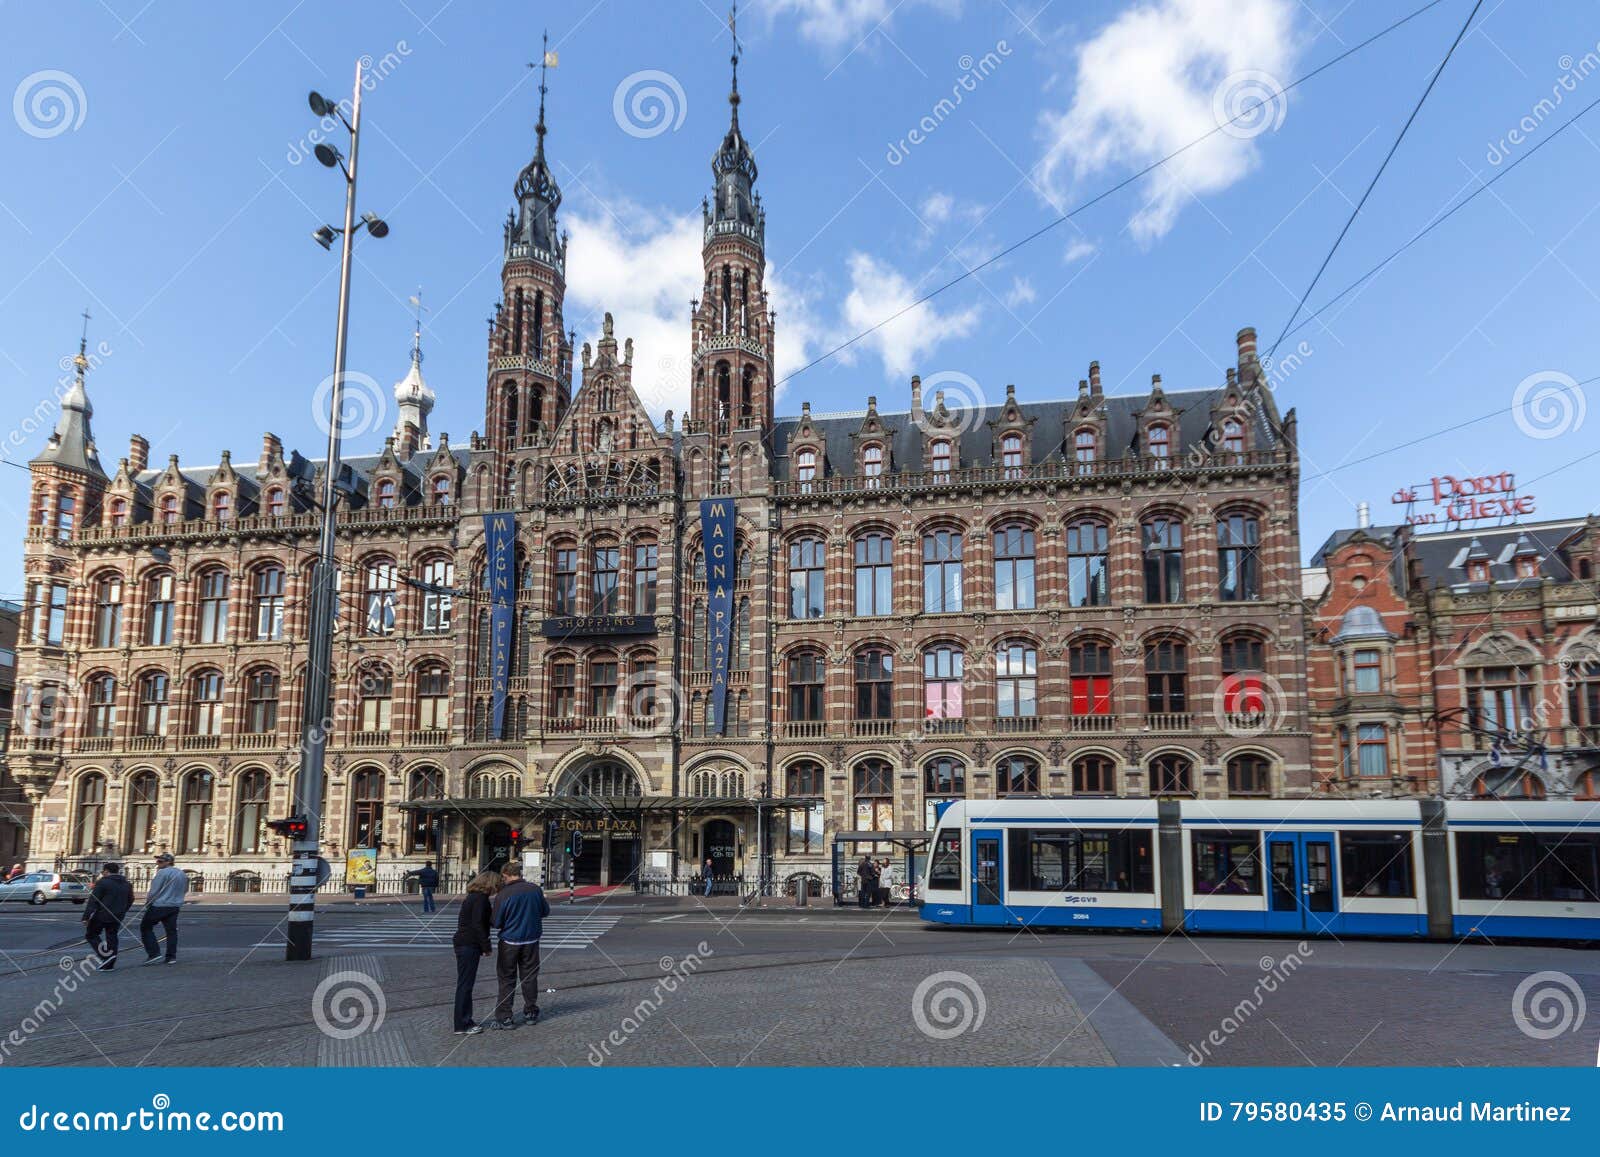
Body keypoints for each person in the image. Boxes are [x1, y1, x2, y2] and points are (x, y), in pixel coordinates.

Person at [487, 861, 550, 1030]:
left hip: (510, 941)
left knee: (507, 978)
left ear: (506, 875)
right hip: (531, 940)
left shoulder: (504, 894)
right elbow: (545, 911)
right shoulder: (535, 889)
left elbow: (497, 921)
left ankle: (505, 1016)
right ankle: (530, 1012)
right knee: (530, 977)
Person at [451, 870, 501, 1035]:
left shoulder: (472, 896)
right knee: (465, 985)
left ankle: (463, 1021)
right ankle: (463, 1023)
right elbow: (478, 924)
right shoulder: (480, 899)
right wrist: (486, 947)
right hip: (469, 943)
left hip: (463, 941)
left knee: (464, 984)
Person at [82, 862, 134, 970]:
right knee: (112, 936)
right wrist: (123, 910)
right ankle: (110, 963)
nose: (102, 873)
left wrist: (86, 917)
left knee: (91, 934)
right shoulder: (127, 883)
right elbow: (131, 899)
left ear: (106, 871)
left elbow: (93, 901)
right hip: (118, 915)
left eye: (103, 872)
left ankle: (106, 956)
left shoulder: (103, 882)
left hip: (102, 914)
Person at [139, 852, 188, 965]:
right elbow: (184, 889)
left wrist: (148, 902)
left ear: (168, 862)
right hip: (174, 906)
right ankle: (171, 957)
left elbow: (154, 890)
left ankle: (154, 953)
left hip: (160, 905)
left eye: (160, 861)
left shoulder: (162, 873)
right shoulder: (182, 873)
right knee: (171, 931)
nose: (157, 863)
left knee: (146, 927)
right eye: (157, 861)